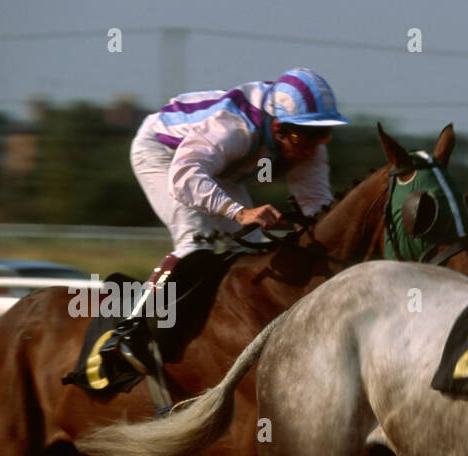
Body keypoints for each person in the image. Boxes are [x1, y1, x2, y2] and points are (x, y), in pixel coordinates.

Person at [112, 68, 349, 377]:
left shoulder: (307, 146)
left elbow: (317, 206)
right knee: (198, 240)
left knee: (253, 248)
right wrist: (240, 213)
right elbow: (185, 177)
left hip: (220, 169)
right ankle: (129, 329)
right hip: (166, 155)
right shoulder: (233, 128)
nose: (310, 147)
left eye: (322, 135)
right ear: (277, 127)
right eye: (301, 137)